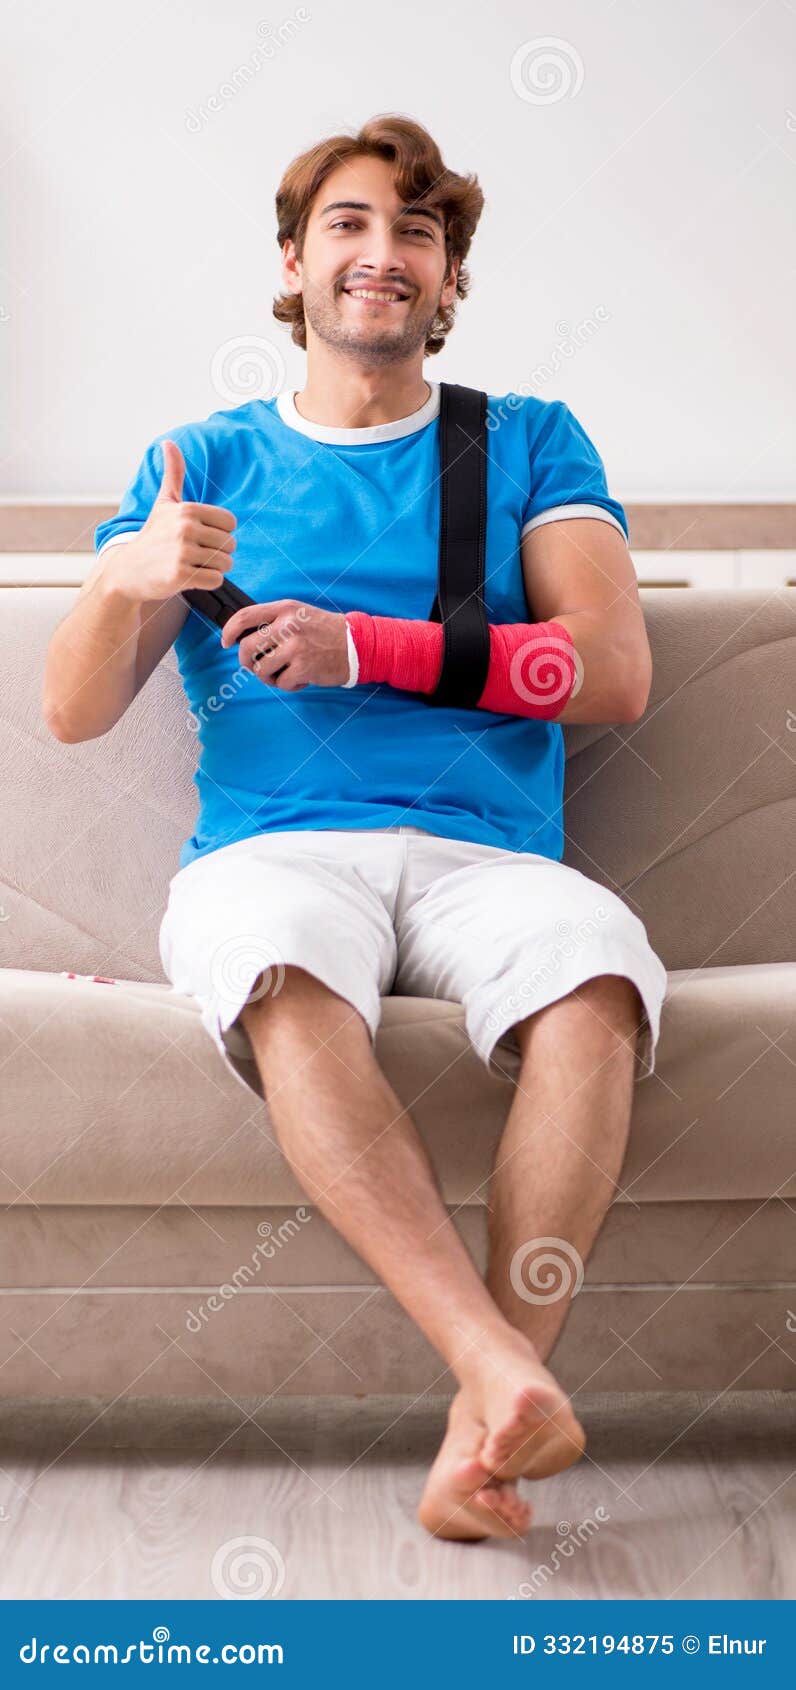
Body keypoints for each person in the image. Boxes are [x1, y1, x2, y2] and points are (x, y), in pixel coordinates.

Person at [42, 113, 667, 1542]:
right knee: (281, 968)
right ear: (292, 261)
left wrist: (364, 648)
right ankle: (496, 1372)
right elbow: (72, 712)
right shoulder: (198, 460)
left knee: (596, 979)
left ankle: (480, 1429)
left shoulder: (525, 441)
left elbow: (613, 672)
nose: (383, 253)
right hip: (275, 851)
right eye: (349, 224)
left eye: (417, 232)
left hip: (489, 858)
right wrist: (129, 577)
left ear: (448, 279)